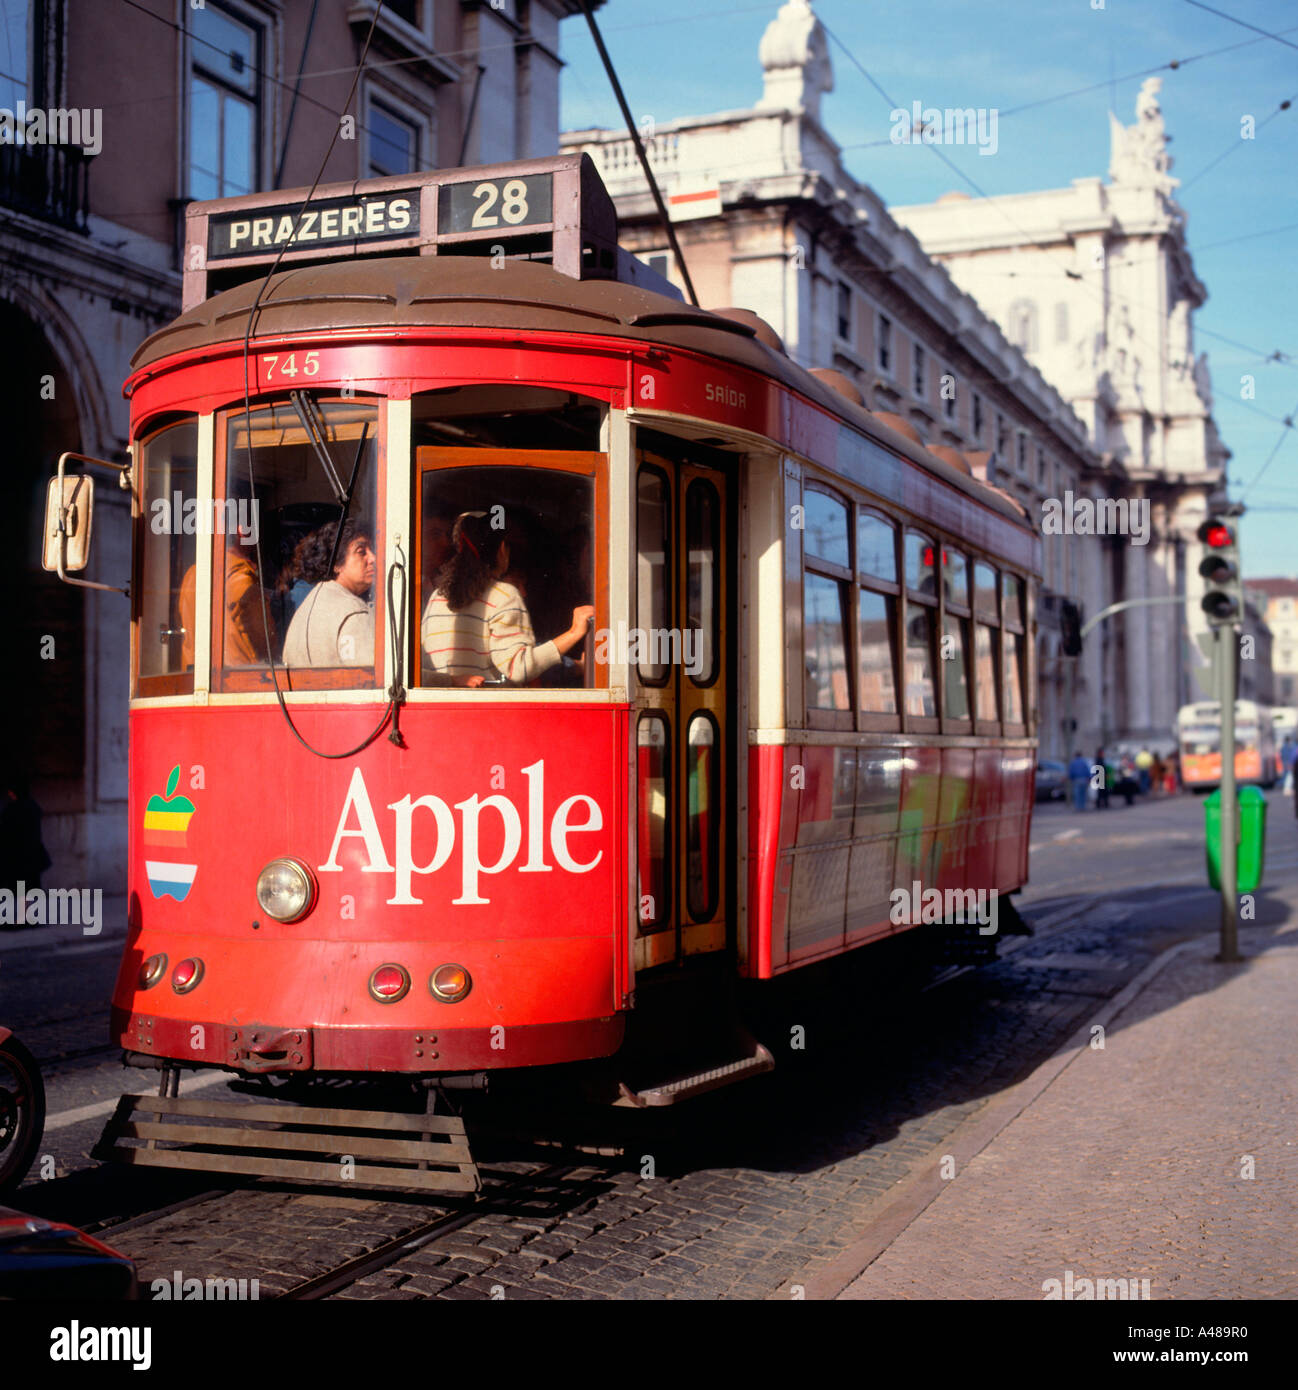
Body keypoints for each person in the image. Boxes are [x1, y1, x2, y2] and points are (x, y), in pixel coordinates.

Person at [421, 511, 593, 686]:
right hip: (483, 709)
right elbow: (518, 669)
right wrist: (574, 632)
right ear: (502, 549)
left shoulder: (438, 596)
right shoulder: (503, 595)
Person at [282, 520, 376, 668]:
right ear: (337, 565)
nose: (373, 558)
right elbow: (369, 681)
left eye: (372, 550)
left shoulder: (306, 609)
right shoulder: (353, 612)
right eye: (361, 551)